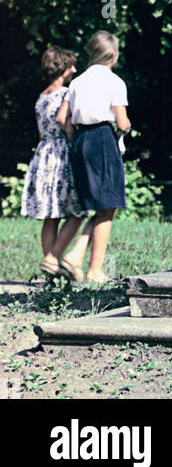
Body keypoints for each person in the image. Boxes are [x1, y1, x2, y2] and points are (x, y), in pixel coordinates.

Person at [56, 30, 130, 284]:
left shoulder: (77, 82)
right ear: (114, 55)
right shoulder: (115, 82)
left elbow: (63, 118)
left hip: (81, 140)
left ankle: (76, 255)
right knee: (109, 204)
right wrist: (127, 127)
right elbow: (122, 122)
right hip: (102, 139)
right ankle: (94, 270)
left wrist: (74, 139)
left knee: (98, 205)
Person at [21, 46, 89, 276]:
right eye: (71, 65)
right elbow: (65, 124)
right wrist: (73, 145)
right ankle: (52, 259)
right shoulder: (66, 94)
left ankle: (50, 269)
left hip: (43, 154)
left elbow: (41, 133)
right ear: (62, 68)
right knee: (77, 210)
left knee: (50, 216)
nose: (74, 70)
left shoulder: (41, 98)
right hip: (61, 154)